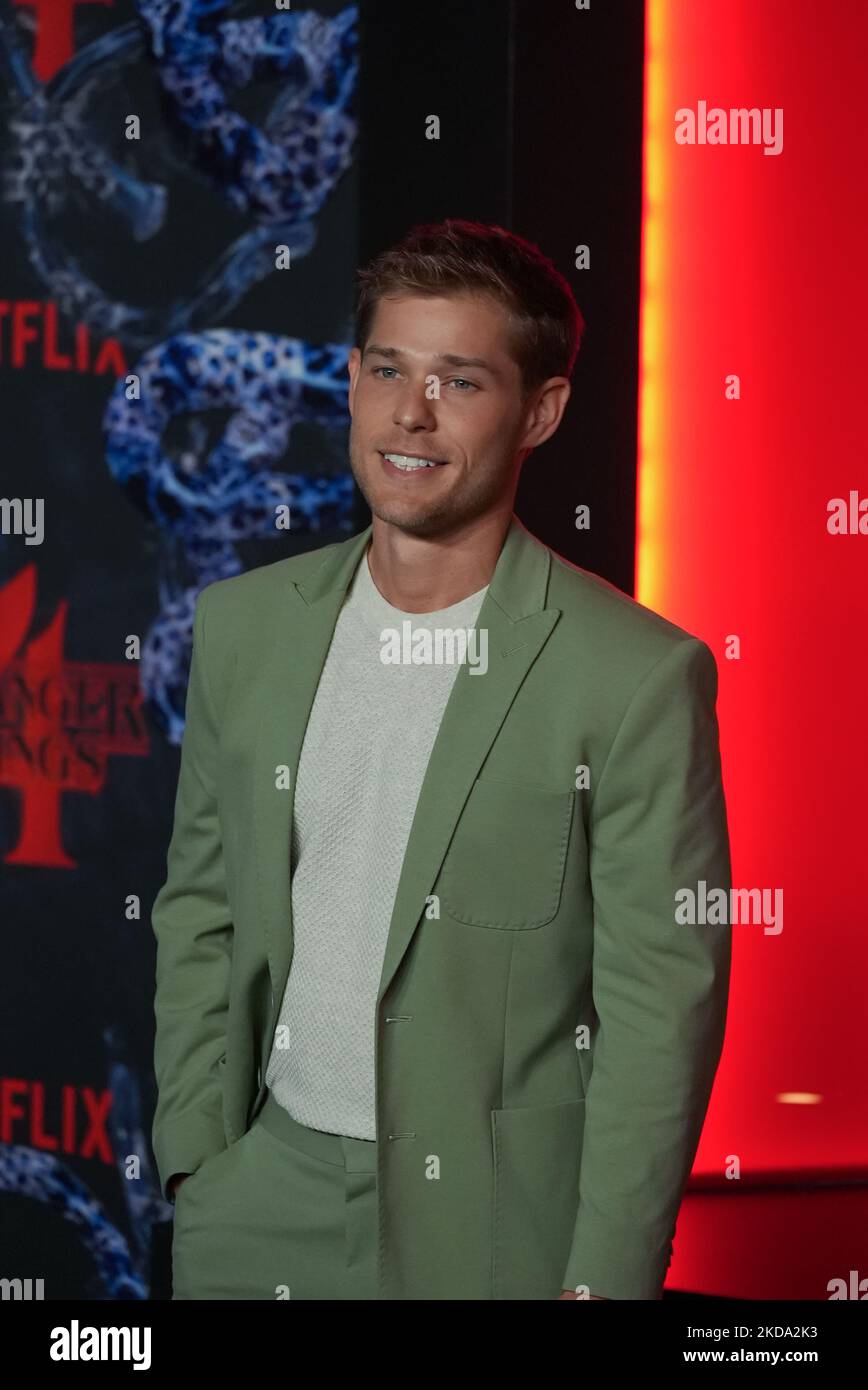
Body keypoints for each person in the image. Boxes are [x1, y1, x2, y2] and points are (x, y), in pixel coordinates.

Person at [152, 218, 732, 1300]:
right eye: (386, 370)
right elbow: (199, 906)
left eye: (459, 382)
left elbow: (661, 1012)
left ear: (540, 412)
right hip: (257, 1203)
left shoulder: (635, 675)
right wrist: (199, 1157)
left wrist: (604, 1276)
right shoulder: (243, 629)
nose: (408, 415)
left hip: (499, 1230)